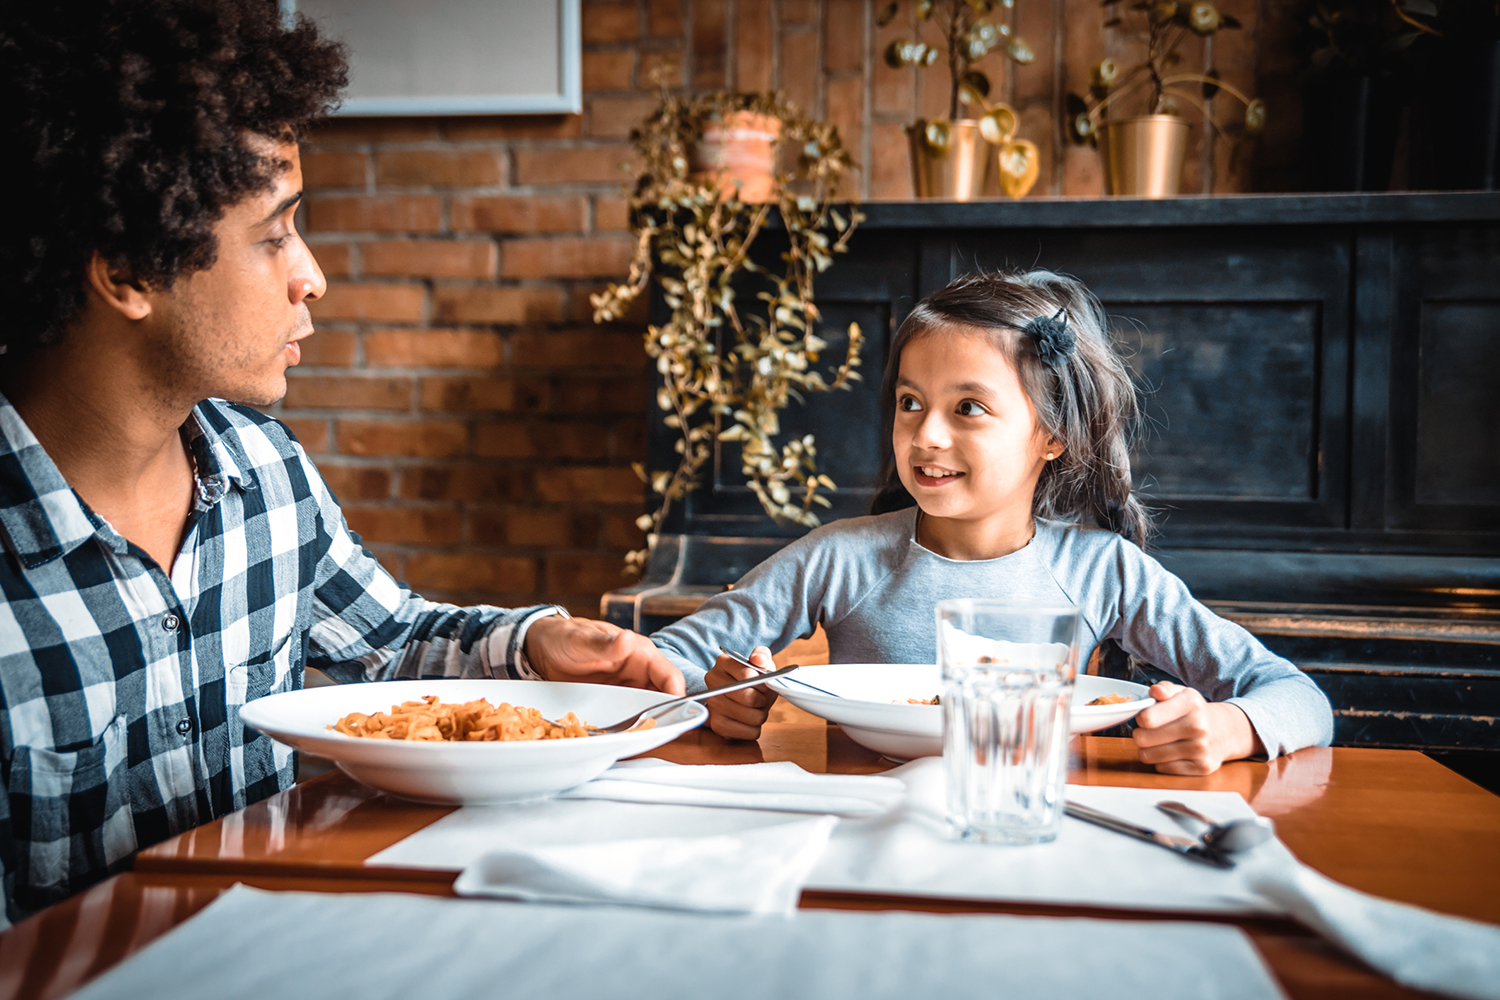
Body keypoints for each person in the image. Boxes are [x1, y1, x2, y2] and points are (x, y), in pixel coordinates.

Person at [0, 0, 681, 925]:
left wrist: (532, 646)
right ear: (127, 270)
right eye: (275, 232)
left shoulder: (260, 469)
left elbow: (394, 645)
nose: (310, 273)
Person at [653, 269, 1333, 772]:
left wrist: (1228, 727)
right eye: (911, 402)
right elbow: (663, 664)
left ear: (1053, 435)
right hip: (858, 830)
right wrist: (715, 695)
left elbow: (1297, 696)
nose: (926, 438)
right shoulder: (839, 559)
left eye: (968, 408)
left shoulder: (1102, 570)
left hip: (1040, 840)